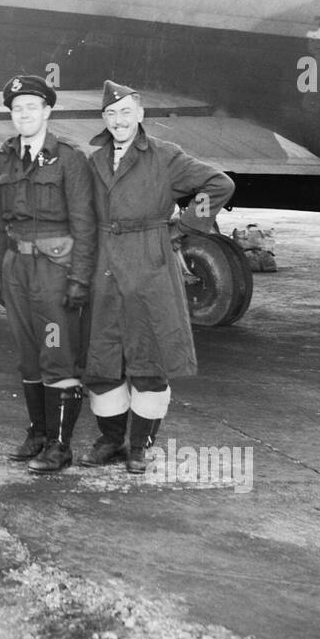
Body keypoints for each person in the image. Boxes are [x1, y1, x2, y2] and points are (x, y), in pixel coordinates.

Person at [82, 81, 234, 473]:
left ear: (140, 115)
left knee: (148, 356)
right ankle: (111, 439)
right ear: (104, 119)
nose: (119, 121)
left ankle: (139, 445)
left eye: (126, 112)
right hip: (105, 266)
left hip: (149, 264)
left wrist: (184, 227)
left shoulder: (166, 157)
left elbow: (219, 184)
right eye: (111, 114)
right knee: (104, 356)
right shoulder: (94, 160)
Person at [0, 75, 96, 474]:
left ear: (47, 111)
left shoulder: (70, 158)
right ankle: (37, 432)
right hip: (18, 267)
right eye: (17, 109)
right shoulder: (5, 157)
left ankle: (59, 444)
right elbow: (1, 219)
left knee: (57, 354)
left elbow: (84, 224)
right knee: (28, 355)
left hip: (55, 269)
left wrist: (80, 278)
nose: (24, 115)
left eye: (31, 107)